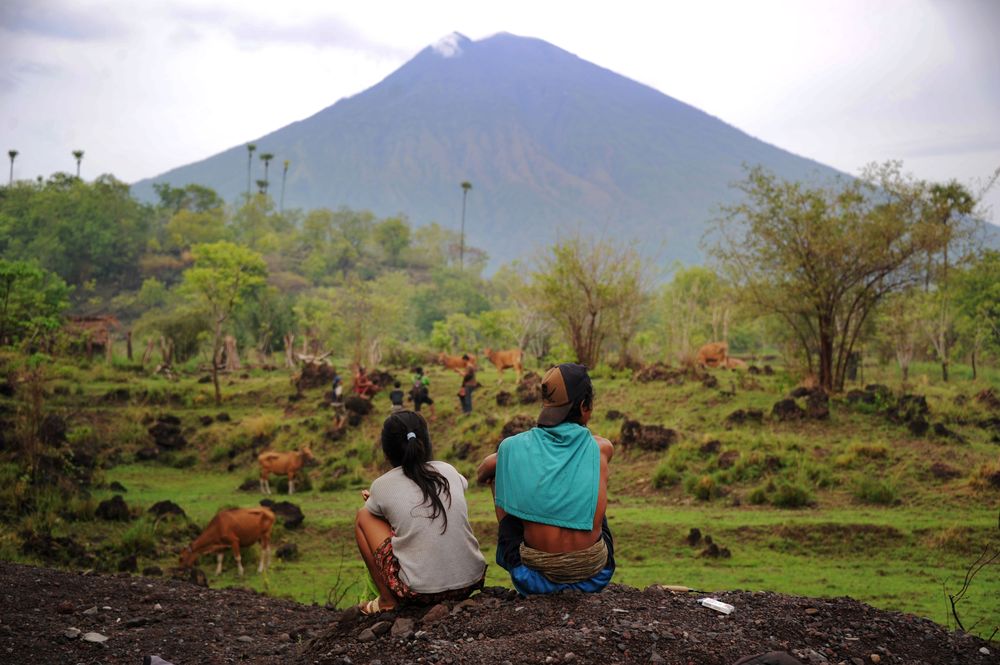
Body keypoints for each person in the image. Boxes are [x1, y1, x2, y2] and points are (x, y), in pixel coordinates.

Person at [477, 363, 615, 595]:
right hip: (595, 576)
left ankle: (528, 556)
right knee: (591, 492)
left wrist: (509, 462)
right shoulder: (601, 448)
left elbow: (483, 472)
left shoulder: (512, 448)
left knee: (500, 477)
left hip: (533, 578)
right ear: (584, 406)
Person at [355, 411, 487, 613]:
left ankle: (387, 601)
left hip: (420, 592)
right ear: (426, 442)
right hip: (471, 582)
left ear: (387, 450)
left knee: (364, 516)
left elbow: (382, 514)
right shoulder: (448, 470)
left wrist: (374, 501)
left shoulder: (381, 486)